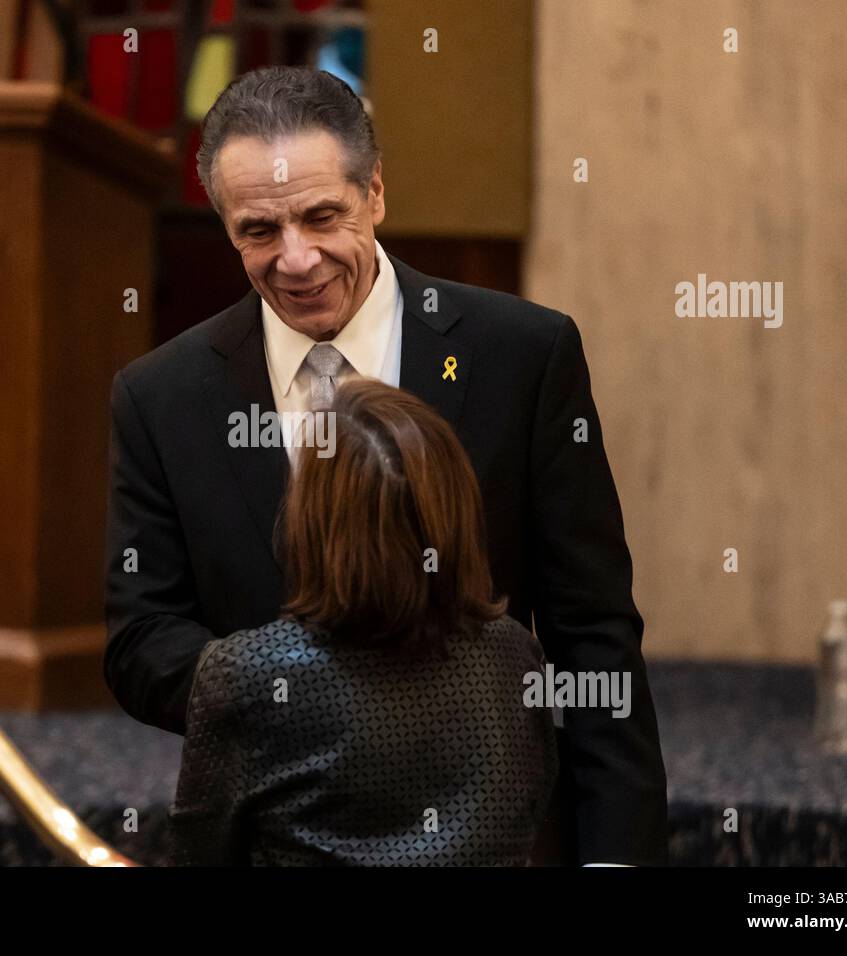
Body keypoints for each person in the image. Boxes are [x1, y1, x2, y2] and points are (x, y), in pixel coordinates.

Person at [104, 66, 668, 865]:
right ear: (223, 224)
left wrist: (618, 859)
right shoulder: (161, 396)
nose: (295, 260)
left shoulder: (524, 356)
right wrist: (288, 694)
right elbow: (142, 641)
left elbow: (593, 631)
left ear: (375, 193)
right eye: (258, 231)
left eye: (322, 216)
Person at [169, 378, 559, 865]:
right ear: (457, 505)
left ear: (313, 517)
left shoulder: (245, 675)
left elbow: (198, 855)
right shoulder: (517, 655)